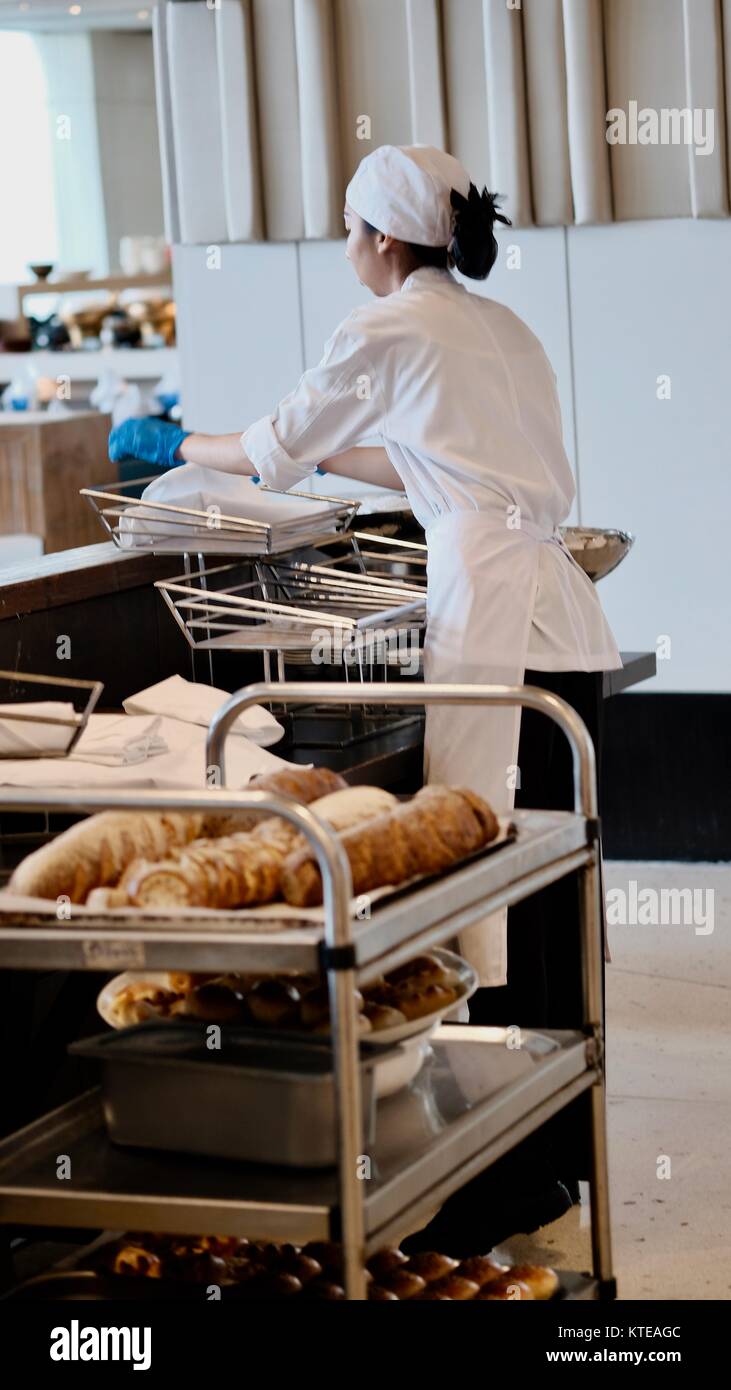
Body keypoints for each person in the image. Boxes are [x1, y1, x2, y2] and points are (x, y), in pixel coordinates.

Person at [110, 144, 621, 1244]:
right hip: (566, 626)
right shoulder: (498, 326)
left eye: (348, 229)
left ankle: (501, 1178)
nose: (344, 247)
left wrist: (168, 438)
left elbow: (263, 451)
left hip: (492, 622)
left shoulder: (386, 326)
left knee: (484, 879)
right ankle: (556, 1156)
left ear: (379, 239)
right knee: (552, 902)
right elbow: (436, 459)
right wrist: (345, 461)